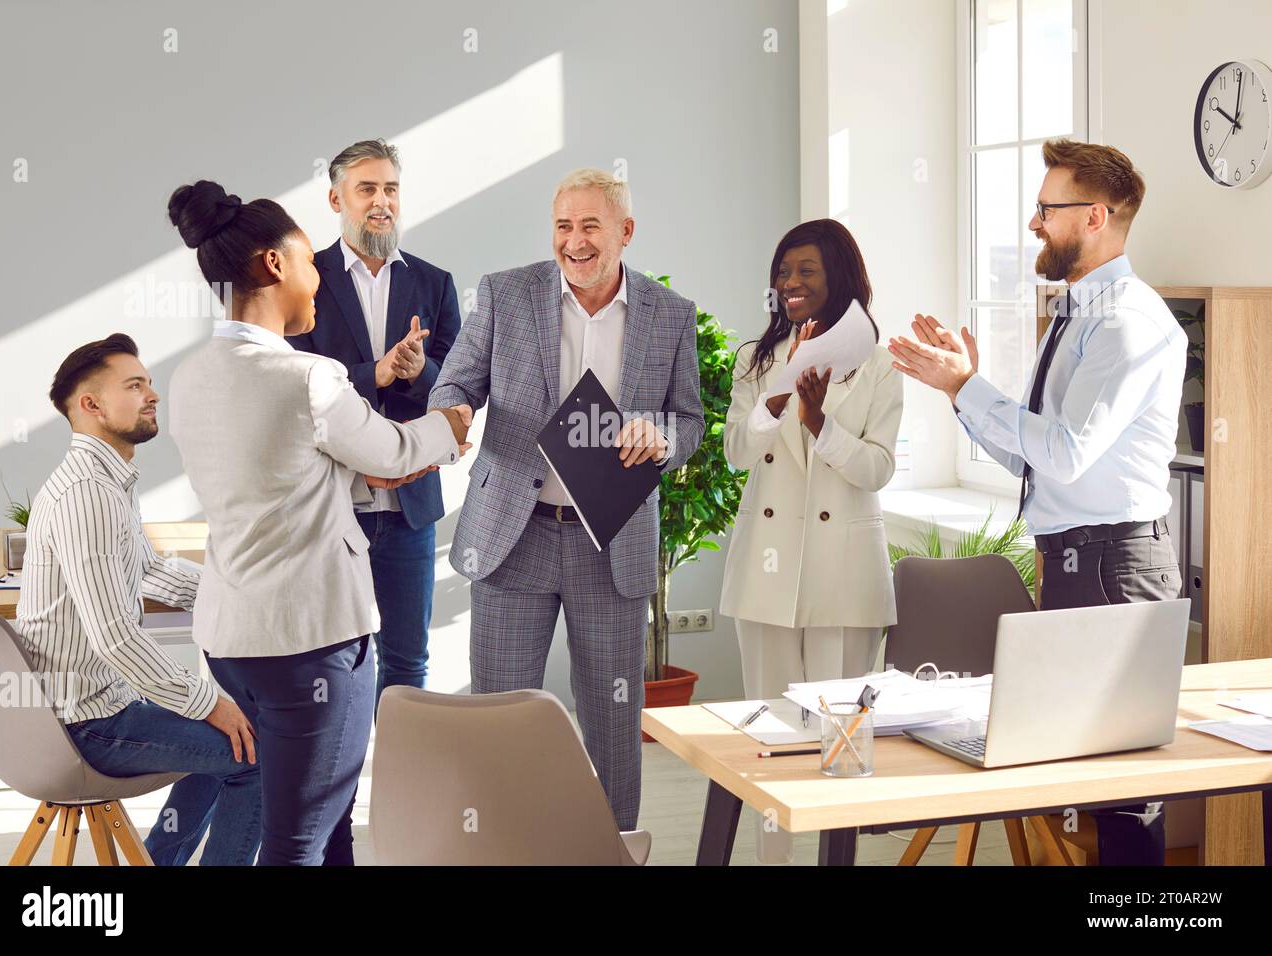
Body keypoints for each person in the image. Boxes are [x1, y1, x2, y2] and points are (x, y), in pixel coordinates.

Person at [887, 139, 1186, 866]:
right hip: (1080, 561)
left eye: (1046, 209)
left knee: (1121, 792)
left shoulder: (1125, 324)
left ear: (1095, 216)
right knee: (1084, 776)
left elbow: (1064, 453)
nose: (1032, 223)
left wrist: (970, 389)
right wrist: (963, 394)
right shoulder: (1077, 313)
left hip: (1116, 566)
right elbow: (1032, 462)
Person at [165, 180, 471, 865]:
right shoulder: (308, 377)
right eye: (308, 263)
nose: (317, 279)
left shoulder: (189, 378)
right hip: (311, 643)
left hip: (230, 642)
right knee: (301, 838)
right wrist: (449, 424)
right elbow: (391, 454)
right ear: (274, 266)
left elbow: (287, 469)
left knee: (304, 823)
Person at [428, 168, 705, 832]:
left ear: (625, 232)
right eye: (562, 226)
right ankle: (497, 848)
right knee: (502, 715)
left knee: (612, 721)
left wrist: (660, 436)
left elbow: (689, 421)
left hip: (610, 540)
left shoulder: (671, 315)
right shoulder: (505, 294)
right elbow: (453, 383)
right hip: (512, 537)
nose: (574, 242)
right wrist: (455, 415)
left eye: (589, 226)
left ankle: (612, 850)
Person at [16, 333, 261, 866]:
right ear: (91, 405)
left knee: (228, 742)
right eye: (135, 385)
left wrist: (240, 593)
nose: (152, 395)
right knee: (256, 754)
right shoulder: (88, 494)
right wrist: (209, 703)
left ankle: (161, 860)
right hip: (86, 725)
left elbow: (148, 571)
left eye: (149, 383)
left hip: (94, 708)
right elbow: (116, 638)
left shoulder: (104, 482)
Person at [720, 219, 901, 862]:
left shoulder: (878, 365)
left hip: (843, 577)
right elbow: (738, 452)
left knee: (840, 745)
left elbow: (877, 469)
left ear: (839, 278)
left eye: (807, 271)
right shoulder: (755, 359)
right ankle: (774, 860)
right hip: (765, 576)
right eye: (784, 271)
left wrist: (821, 425)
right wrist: (775, 403)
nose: (791, 283)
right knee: (772, 736)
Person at [287, 138, 461, 707]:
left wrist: (417, 372)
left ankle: (403, 787)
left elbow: (462, 386)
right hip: (332, 507)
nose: (381, 201)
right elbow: (293, 383)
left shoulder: (434, 283)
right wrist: (374, 374)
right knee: (333, 660)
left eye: (390, 189)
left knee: (407, 660)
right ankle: (335, 784)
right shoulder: (305, 279)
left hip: (411, 513)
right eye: (367, 189)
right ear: (336, 198)